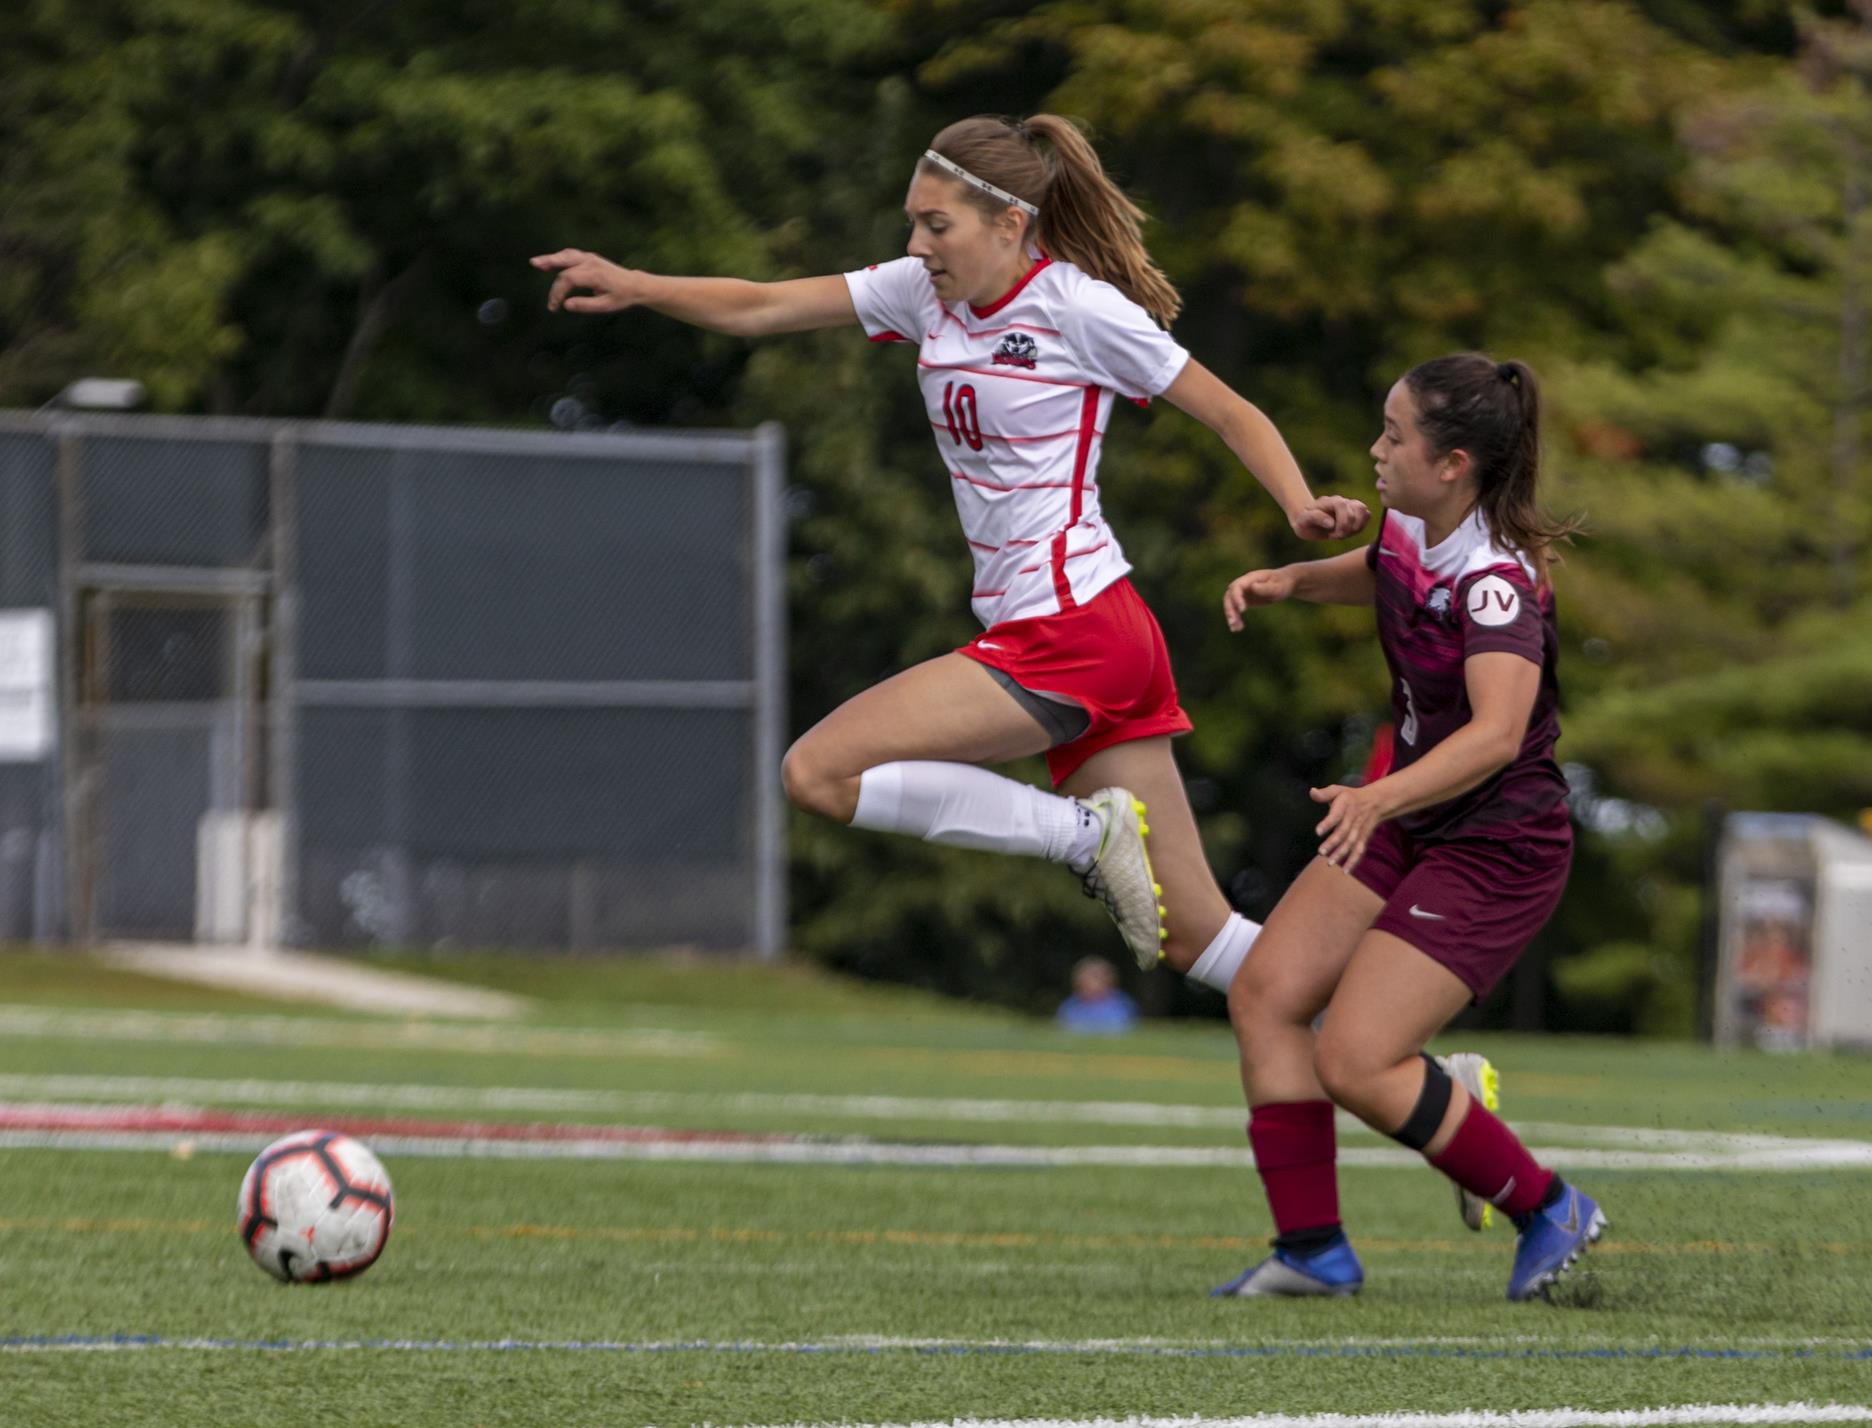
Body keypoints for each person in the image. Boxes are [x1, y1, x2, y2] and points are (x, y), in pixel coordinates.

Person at [534, 114, 1367, 990]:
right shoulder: (922, 293)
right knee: (1201, 941)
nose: (916, 244)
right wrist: (637, 285)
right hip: (1088, 631)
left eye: (937, 225)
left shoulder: (1077, 307)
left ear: (1009, 224)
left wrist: (1300, 505)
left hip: (1072, 626)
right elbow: (762, 304)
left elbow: (1231, 411)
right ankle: (1389, 1051)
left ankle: (1083, 836)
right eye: (913, 222)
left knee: (819, 773)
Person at [1213, 353, 1600, 1303]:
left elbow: (1498, 735)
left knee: (1355, 1058)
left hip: (1498, 846)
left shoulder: (1496, 581)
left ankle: (1549, 1207)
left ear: (1454, 463)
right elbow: (1381, 570)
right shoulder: (1411, 526)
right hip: (1412, 811)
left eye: (1395, 436)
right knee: (1266, 993)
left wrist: (1377, 798)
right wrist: (1292, 582)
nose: (1376, 451)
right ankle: (1313, 1250)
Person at [1057, 955, 1138, 1034]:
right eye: (1083, 981)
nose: (1088, 985)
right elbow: (1064, 1026)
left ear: (1109, 982)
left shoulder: (1121, 1004)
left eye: (1094, 979)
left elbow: (1121, 1026)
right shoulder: (1071, 1005)